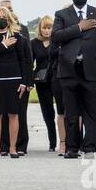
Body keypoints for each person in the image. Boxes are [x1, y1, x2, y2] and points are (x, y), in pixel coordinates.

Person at [51, 0, 96, 157]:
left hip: (91, 70)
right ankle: (72, 148)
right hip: (69, 71)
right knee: (71, 113)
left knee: (92, 112)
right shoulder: (62, 14)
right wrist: (79, 27)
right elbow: (56, 37)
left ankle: (90, 146)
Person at [0, 6, 33, 158]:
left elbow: (24, 61)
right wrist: (3, 45)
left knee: (13, 114)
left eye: (4, 17)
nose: (1, 19)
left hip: (14, 79)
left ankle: (13, 147)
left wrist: (25, 82)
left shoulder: (18, 37)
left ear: (9, 19)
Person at [0, 0, 33, 154]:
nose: (5, 13)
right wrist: (3, 45)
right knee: (0, 114)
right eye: (2, 11)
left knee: (18, 113)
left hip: (16, 78)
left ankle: (19, 145)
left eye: (9, 9)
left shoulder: (21, 31)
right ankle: (2, 146)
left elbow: (26, 58)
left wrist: (28, 80)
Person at [30, 16, 61, 151]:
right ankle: (52, 142)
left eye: (50, 28)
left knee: (62, 110)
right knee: (48, 112)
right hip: (41, 81)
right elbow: (30, 63)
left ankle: (65, 141)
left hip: (57, 78)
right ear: (40, 29)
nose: (47, 31)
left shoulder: (57, 42)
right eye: (45, 28)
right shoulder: (34, 43)